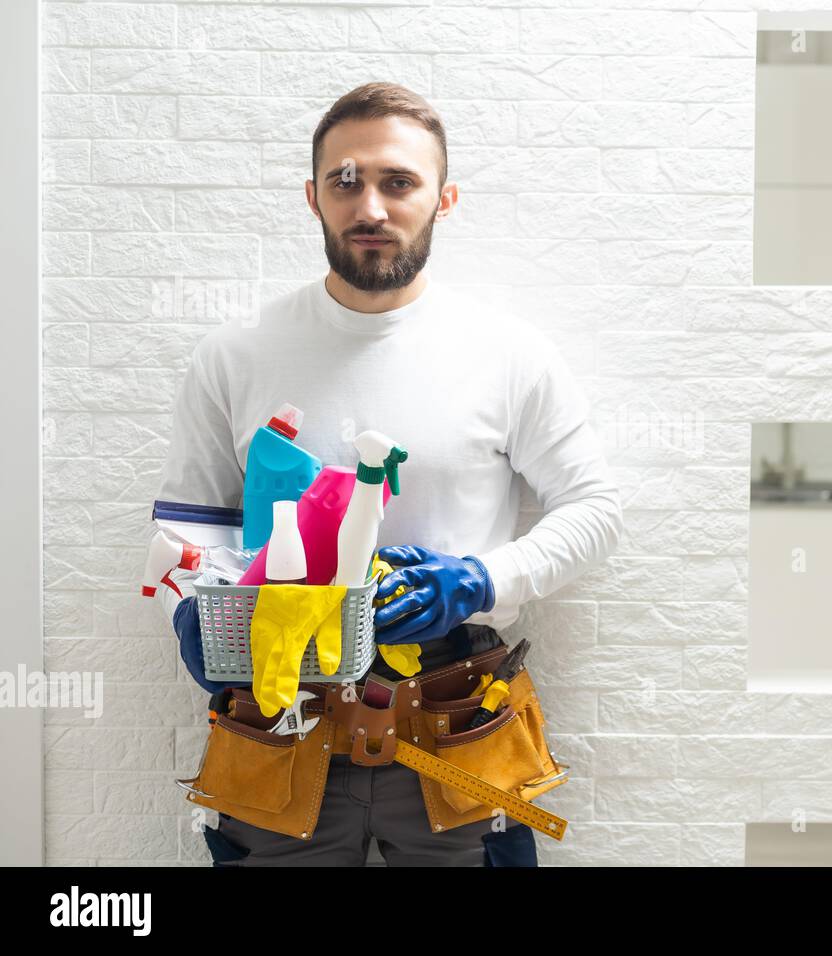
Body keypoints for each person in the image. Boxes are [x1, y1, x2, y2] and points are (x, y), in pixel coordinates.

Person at [155, 82, 624, 866]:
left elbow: (596, 508)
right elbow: (186, 527)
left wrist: (479, 577)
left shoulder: (507, 354)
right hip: (276, 716)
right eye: (346, 180)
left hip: (452, 715)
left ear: (443, 198)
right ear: (313, 197)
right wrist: (187, 619)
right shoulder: (235, 353)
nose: (370, 205)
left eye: (399, 181)